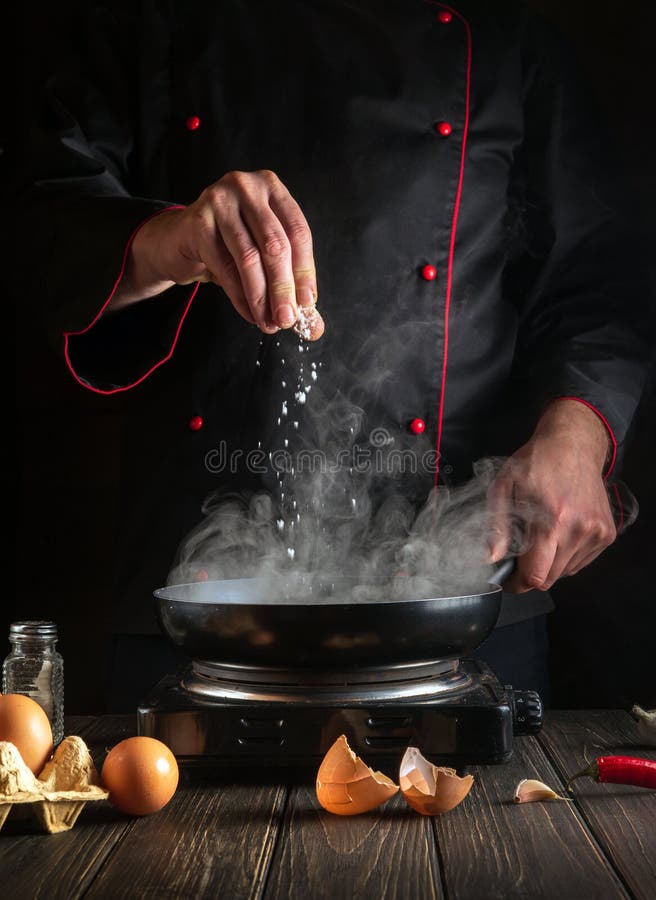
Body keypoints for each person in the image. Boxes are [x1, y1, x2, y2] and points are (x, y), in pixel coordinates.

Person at [14, 1, 651, 708]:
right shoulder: (145, 18)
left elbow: (597, 284)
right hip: (192, 604)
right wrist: (173, 241)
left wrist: (576, 436)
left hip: (464, 600)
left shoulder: (506, 32)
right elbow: (39, 225)